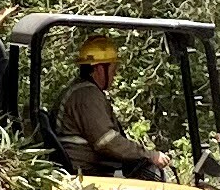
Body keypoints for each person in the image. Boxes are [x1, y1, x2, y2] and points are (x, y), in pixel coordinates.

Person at [52, 35, 167, 181]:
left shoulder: (80, 91)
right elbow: (107, 142)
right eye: (113, 69)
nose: (115, 74)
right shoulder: (87, 96)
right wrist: (150, 155)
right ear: (100, 68)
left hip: (88, 171)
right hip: (86, 174)